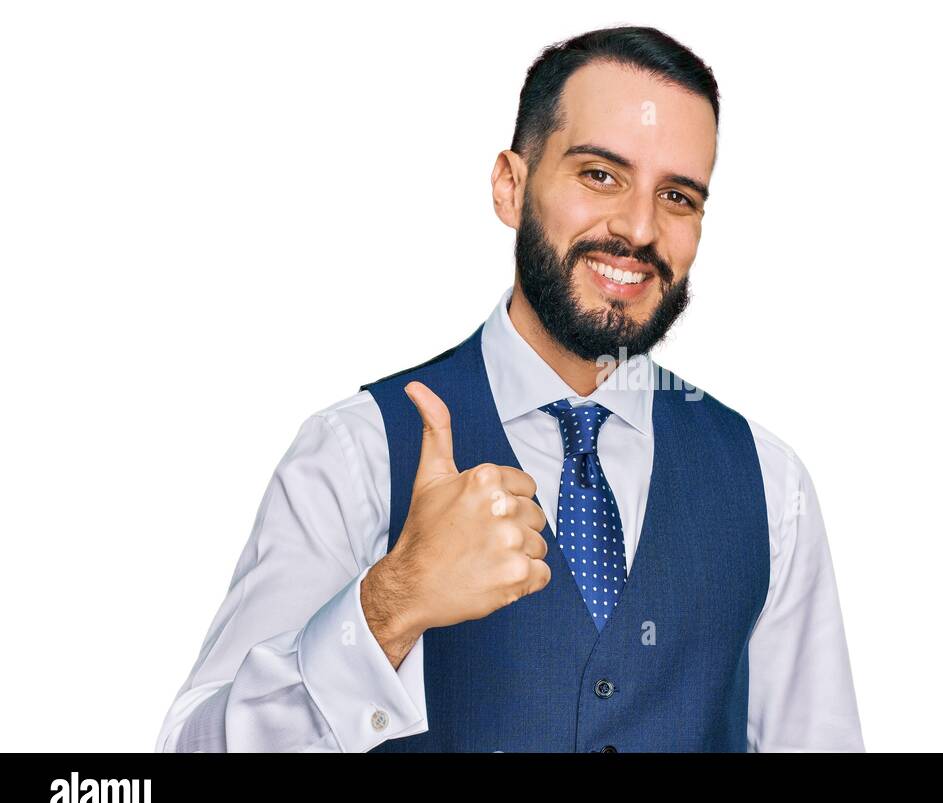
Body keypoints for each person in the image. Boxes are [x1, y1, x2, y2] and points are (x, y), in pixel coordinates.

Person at [156, 25, 864, 752]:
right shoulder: (357, 454)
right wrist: (389, 605)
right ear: (511, 186)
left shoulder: (770, 486)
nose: (640, 228)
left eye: (678, 196)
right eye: (600, 175)